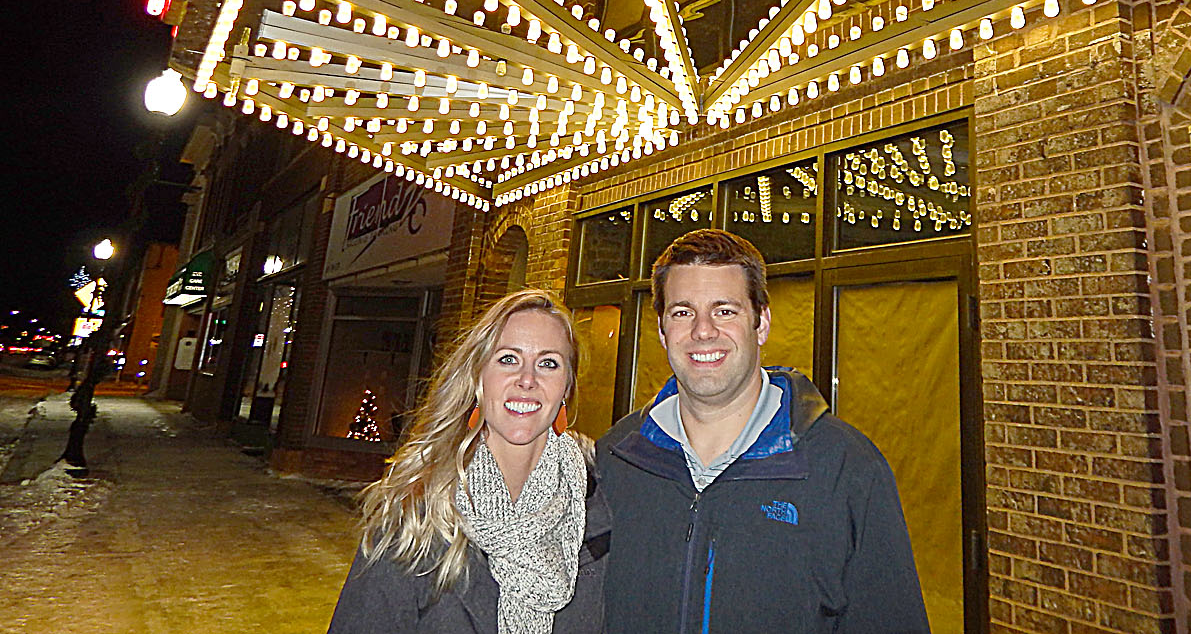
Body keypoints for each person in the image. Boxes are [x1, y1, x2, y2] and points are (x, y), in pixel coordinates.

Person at [596, 229, 930, 634]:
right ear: (663, 332)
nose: (703, 331)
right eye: (683, 312)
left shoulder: (845, 469)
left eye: (725, 311)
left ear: (762, 323)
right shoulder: (614, 462)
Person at [329, 289, 609, 634]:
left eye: (548, 363)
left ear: (567, 387)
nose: (527, 380)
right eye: (508, 359)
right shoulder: (419, 514)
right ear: (478, 376)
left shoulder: (600, 505)